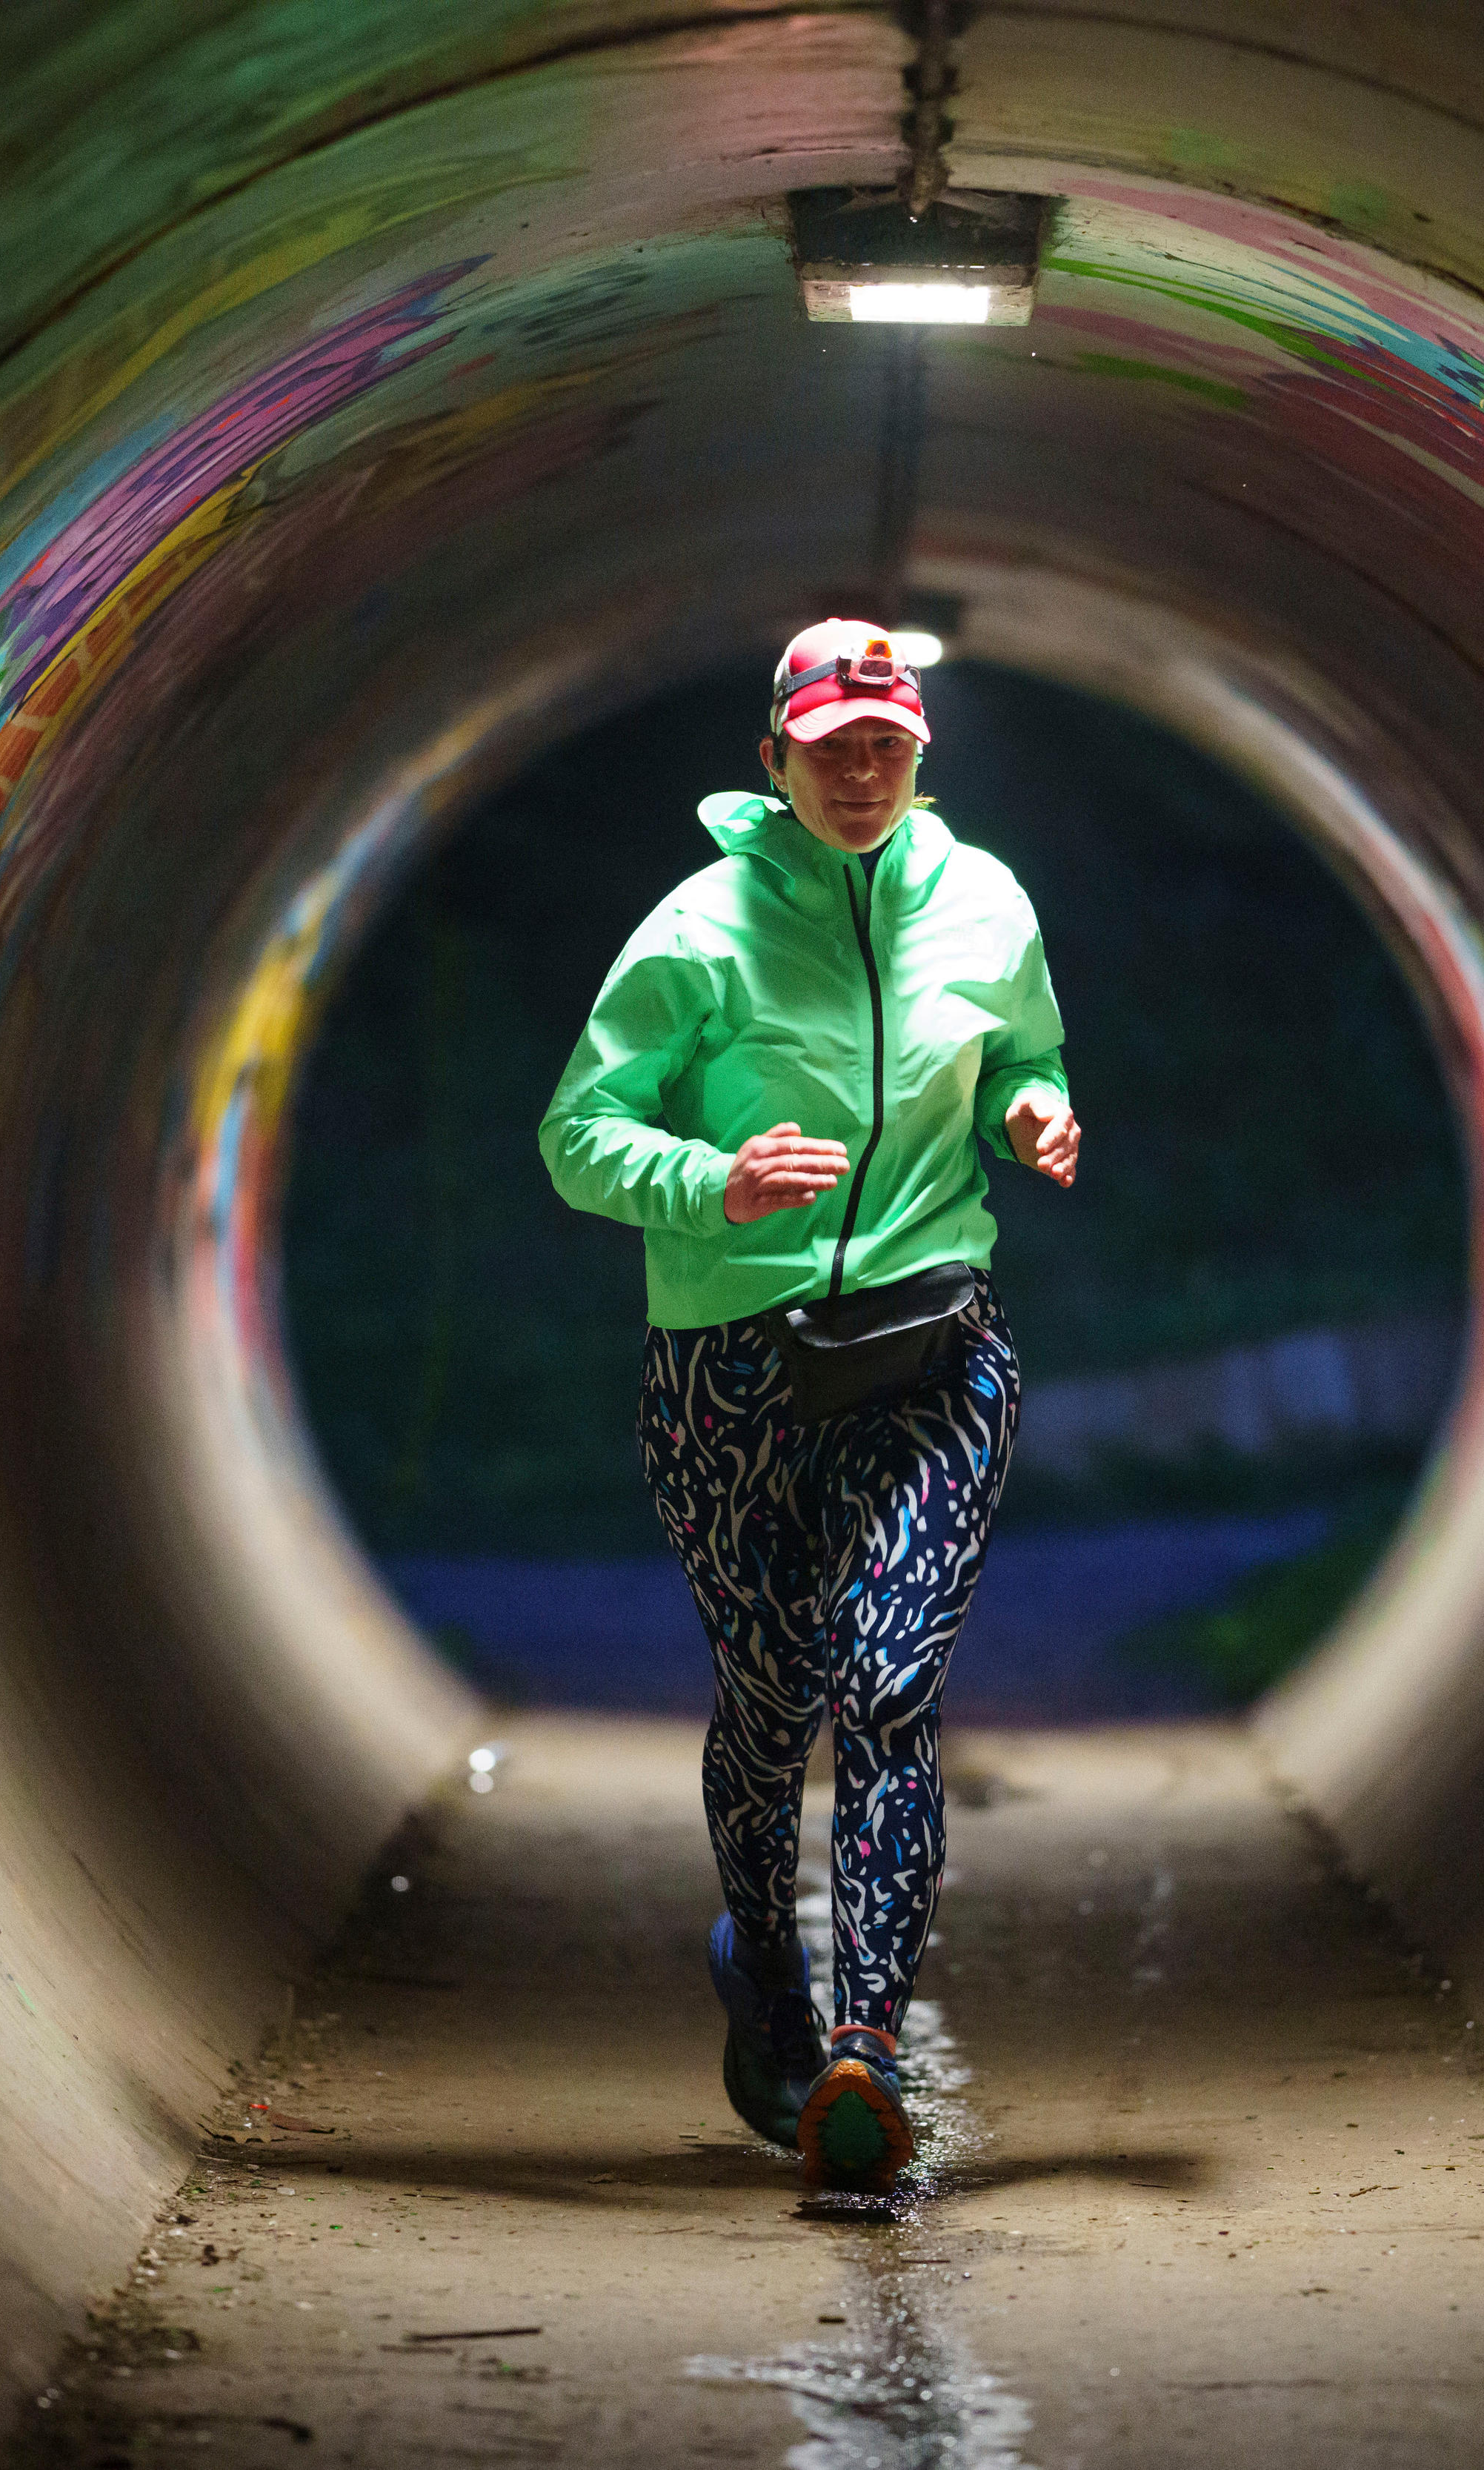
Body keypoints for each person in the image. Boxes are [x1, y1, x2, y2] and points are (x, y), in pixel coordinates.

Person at [536, 620, 1080, 2191]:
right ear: (770, 757)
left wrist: (1030, 1105)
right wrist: (715, 1180)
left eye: (885, 745)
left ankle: (868, 2049)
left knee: (888, 1679)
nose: (859, 769)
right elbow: (580, 1134)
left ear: (921, 754)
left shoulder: (983, 903)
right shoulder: (698, 931)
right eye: (830, 743)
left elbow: (1019, 1054)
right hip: (734, 1361)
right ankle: (768, 1982)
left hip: (930, 1343)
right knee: (772, 1702)